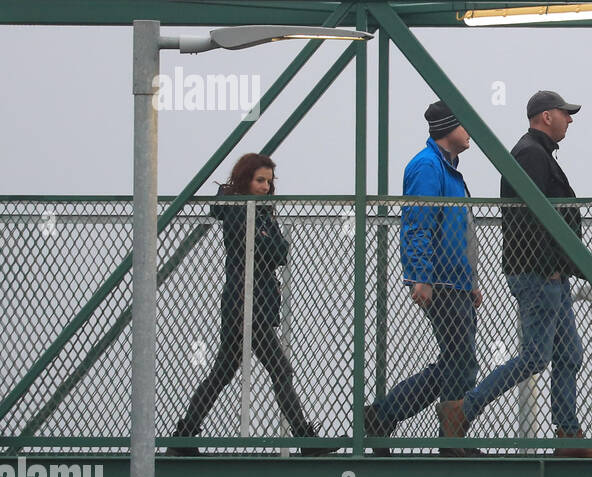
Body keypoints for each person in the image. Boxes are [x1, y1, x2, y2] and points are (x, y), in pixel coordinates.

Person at [438, 90, 592, 458]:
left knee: (569, 354)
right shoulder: (532, 153)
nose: (570, 119)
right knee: (536, 356)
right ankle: (463, 410)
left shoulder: (536, 152)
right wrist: (548, 265)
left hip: (549, 272)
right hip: (539, 273)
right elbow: (529, 218)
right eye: (565, 113)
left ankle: (568, 435)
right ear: (545, 116)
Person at [171, 153, 336, 456]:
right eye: (260, 180)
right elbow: (267, 249)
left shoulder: (260, 213)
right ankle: (304, 438)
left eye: (269, 182)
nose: (265, 187)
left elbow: (279, 251)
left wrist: (269, 241)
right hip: (246, 305)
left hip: (250, 304)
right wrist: (268, 242)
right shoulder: (238, 209)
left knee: (223, 371)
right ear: (245, 178)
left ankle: (183, 435)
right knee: (279, 369)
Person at [363, 102, 481, 455]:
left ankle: (383, 416)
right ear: (449, 128)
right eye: (464, 124)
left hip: (455, 280)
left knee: (455, 360)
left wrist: (471, 279)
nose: (470, 130)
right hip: (442, 281)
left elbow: (463, 231)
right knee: (461, 360)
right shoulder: (428, 166)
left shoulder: (448, 170)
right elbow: (418, 224)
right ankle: (448, 438)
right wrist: (420, 277)